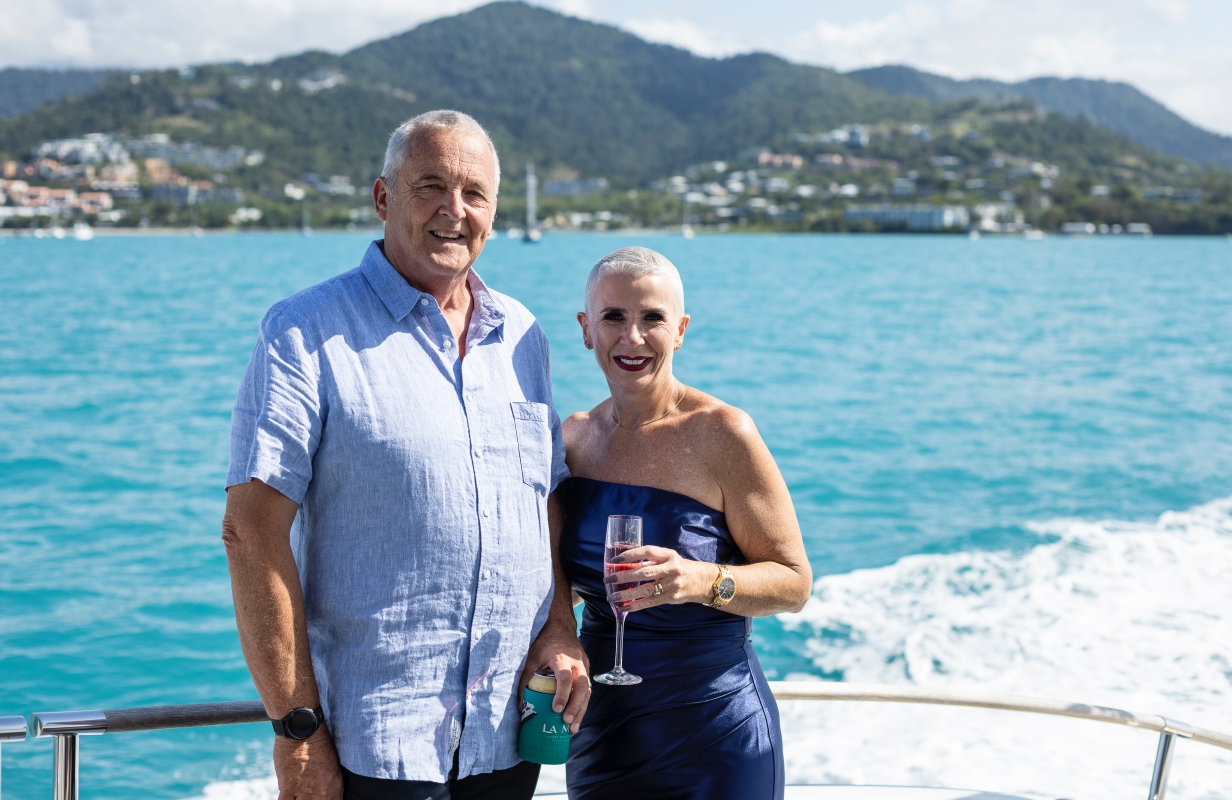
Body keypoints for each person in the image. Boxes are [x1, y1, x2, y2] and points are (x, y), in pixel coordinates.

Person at [220, 110, 590, 800]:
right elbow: (250, 533)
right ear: (383, 197)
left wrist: (562, 626)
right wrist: (296, 729)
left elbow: (545, 499)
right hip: (375, 748)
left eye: (475, 193)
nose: (456, 211)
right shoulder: (302, 331)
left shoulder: (523, 335)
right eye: (431, 186)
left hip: (508, 736)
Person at [558, 247, 812, 799]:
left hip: (716, 734)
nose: (633, 338)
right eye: (613, 317)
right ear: (585, 329)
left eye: (652, 318)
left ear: (680, 331)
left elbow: (794, 583)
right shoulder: (572, 441)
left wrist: (699, 580)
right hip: (603, 733)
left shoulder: (725, 433)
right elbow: (553, 583)